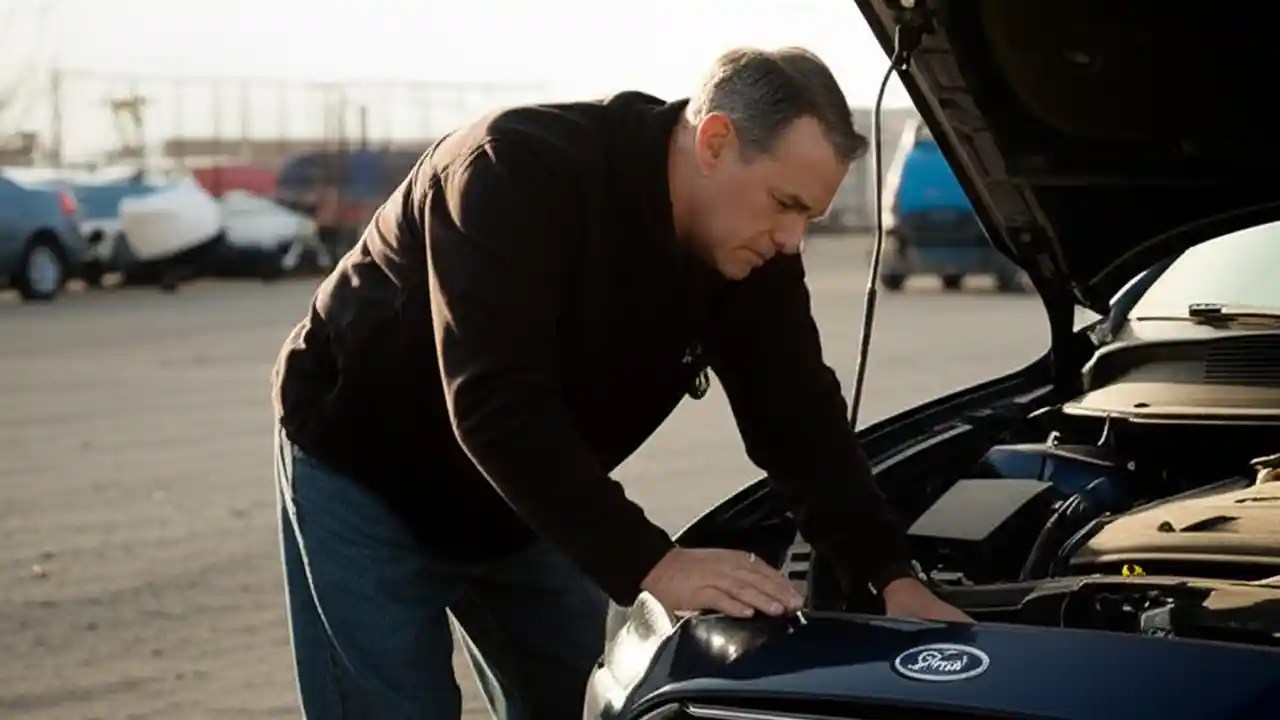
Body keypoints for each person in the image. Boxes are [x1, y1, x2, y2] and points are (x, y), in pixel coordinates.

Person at [270, 46, 970, 719]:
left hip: (526, 493)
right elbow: (495, 401)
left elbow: (798, 416)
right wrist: (656, 565)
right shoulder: (511, 171)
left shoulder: (750, 251)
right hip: (367, 476)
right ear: (716, 141)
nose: (793, 239)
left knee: (576, 705)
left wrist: (891, 576)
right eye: (785, 203)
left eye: (809, 218)